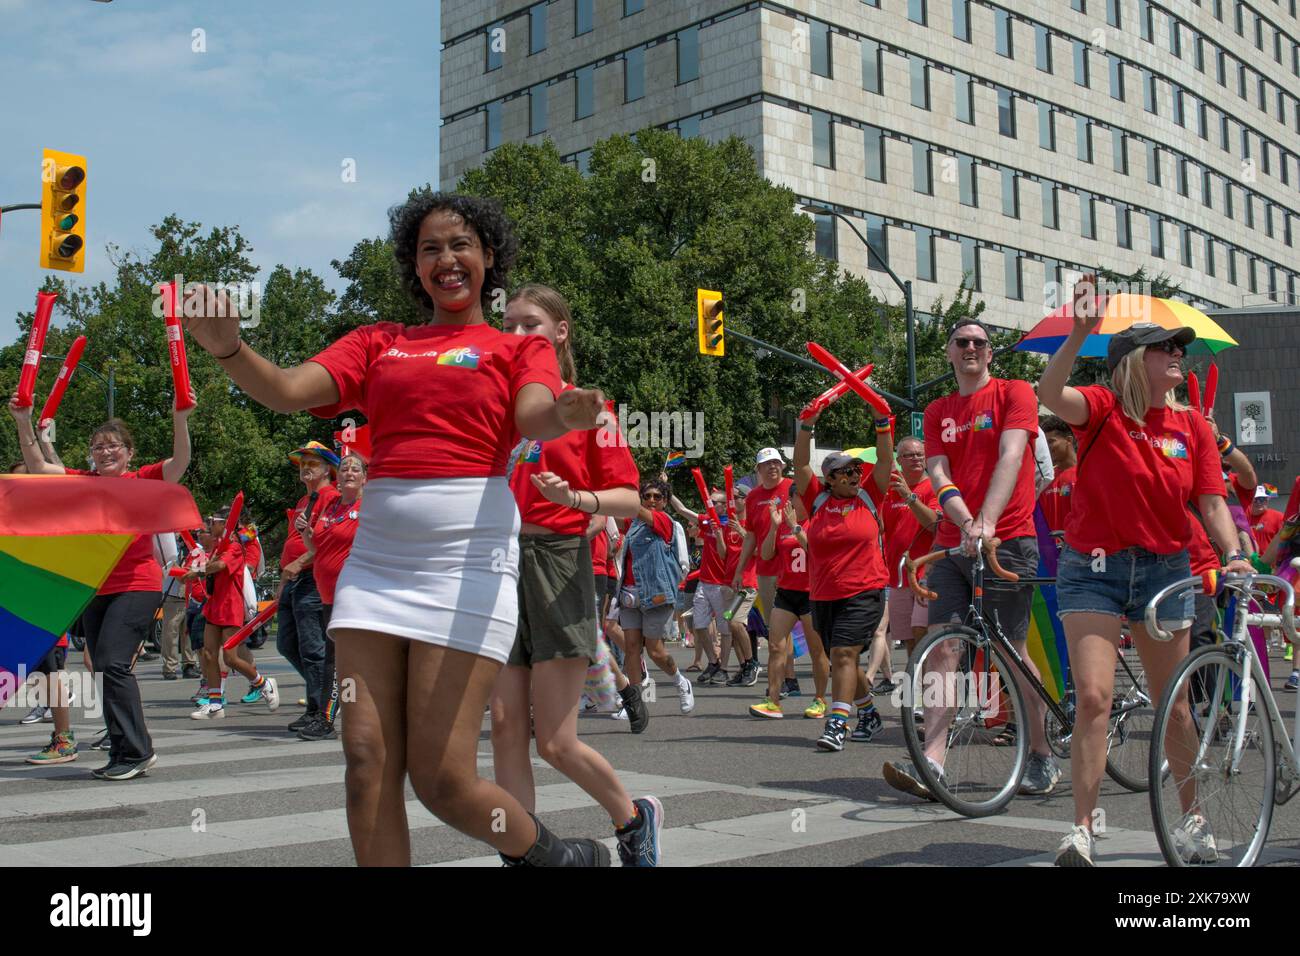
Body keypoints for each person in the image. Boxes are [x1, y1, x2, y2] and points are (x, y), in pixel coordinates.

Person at [181, 191, 617, 866]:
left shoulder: (514, 349)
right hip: (377, 569)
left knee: (442, 781)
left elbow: (535, 414)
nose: (447, 260)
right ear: (414, 265)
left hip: (466, 566)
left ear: (489, 258)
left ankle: (558, 858)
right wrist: (230, 349)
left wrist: (567, 414)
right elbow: (289, 390)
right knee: (364, 758)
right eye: (430, 249)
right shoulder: (379, 343)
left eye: (461, 245)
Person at [1037, 281, 1253, 866]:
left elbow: (1212, 504)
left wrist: (1232, 553)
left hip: (1165, 569)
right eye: (1166, 348)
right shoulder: (1101, 409)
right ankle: (1081, 830)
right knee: (1093, 697)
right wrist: (1080, 331)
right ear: (1135, 361)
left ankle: (1193, 818)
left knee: (1176, 704)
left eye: (1180, 347)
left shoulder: (1194, 429)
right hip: (1094, 569)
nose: (1178, 354)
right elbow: (1050, 392)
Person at [489, 283, 663, 864]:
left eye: (529, 325)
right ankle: (524, 857)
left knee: (557, 742)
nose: (515, 336)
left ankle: (635, 821)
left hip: (557, 563)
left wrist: (579, 500)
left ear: (560, 332)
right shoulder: (499, 412)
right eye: (507, 325)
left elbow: (629, 497)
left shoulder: (591, 411)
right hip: (495, 564)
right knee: (506, 729)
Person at [883, 319, 1055, 800]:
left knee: (1011, 654)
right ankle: (932, 762)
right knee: (943, 647)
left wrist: (988, 522)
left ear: (990, 353)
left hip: (1008, 539)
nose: (972, 347)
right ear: (949, 353)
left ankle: (1040, 755)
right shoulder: (938, 410)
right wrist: (964, 523)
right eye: (962, 342)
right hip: (955, 542)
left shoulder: (1015, 393)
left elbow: (1011, 456)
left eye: (980, 342)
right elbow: (939, 474)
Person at [9, 393, 195, 781]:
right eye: (98, 447)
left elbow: (180, 463)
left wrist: (181, 418)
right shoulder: (85, 482)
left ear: (129, 452)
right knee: (101, 671)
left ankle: (138, 750)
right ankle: (122, 750)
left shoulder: (142, 479)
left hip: (137, 585)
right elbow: (39, 467)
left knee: (112, 663)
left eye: (113, 446)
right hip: (96, 589)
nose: (105, 452)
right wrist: (23, 420)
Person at [794, 397, 894, 751]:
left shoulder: (870, 497)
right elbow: (801, 462)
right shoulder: (816, 502)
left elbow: (885, 459)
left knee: (843, 655)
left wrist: (883, 422)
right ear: (831, 479)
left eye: (857, 471)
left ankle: (838, 724)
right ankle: (868, 713)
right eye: (848, 472)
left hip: (864, 590)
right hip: (823, 593)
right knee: (841, 661)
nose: (856, 476)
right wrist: (807, 422)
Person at [612, 476, 696, 732]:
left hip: (656, 596)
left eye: (656, 497)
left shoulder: (665, 522)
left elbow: (629, 507)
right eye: (646, 496)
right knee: (632, 651)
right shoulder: (632, 523)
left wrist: (626, 491)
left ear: (665, 502)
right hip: (629, 595)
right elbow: (613, 514)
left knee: (656, 652)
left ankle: (681, 682)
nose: (650, 501)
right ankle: (635, 706)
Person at [187, 508, 280, 719]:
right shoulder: (217, 546)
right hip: (214, 605)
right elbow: (204, 565)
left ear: (225, 524)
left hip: (230, 606)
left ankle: (263, 683)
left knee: (230, 657)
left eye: (213, 521)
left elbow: (219, 566)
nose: (210, 525)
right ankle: (215, 703)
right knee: (209, 653)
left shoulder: (235, 546)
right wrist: (188, 573)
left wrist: (198, 572)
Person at [299, 451, 367, 740]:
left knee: (339, 661)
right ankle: (351, 714)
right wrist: (304, 532)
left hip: (352, 595)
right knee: (341, 660)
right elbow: (317, 548)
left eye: (355, 469)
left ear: (364, 477)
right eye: (344, 469)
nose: (348, 472)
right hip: (327, 594)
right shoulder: (332, 507)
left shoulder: (368, 508)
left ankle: (328, 718)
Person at [277, 441, 341, 734]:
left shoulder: (331, 497)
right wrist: (283, 581)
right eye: (303, 463)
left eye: (313, 463)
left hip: (312, 579)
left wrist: (299, 561)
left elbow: (324, 542)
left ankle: (320, 708)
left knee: (313, 648)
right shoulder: (305, 501)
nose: (306, 467)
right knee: (287, 643)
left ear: (328, 469)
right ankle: (323, 696)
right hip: (294, 580)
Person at [748, 497, 823, 718]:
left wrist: (794, 527)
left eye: (799, 499)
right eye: (793, 498)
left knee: (817, 650)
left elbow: (815, 551)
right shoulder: (782, 524)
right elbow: (766, 554)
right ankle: (773, 701)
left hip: (811, 593)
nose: (794, 504)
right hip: (786, 592)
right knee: (775, 646)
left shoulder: (816, 522)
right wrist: (774, 525)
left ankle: (819, 700)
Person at [880, 435, 940, 671]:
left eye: (919, 454)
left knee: (923, 634)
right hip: (897, 578)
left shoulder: (934, 485)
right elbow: (881, 527)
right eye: (909, 455)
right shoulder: (890, 490)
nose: (915, 459)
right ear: (899, 460)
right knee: (910, 641)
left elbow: (935, 524)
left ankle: (934, 696)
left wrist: (909, 496)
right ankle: (919, 696)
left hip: (926, 574)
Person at [1038, 416, 1077, 534]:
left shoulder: (1086, 474)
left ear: (1069, 440)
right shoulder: (1045, 479)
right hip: (1049, 550)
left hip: (1077, 549)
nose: (1047, 448)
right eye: (1045, 443)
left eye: (1051, 441)